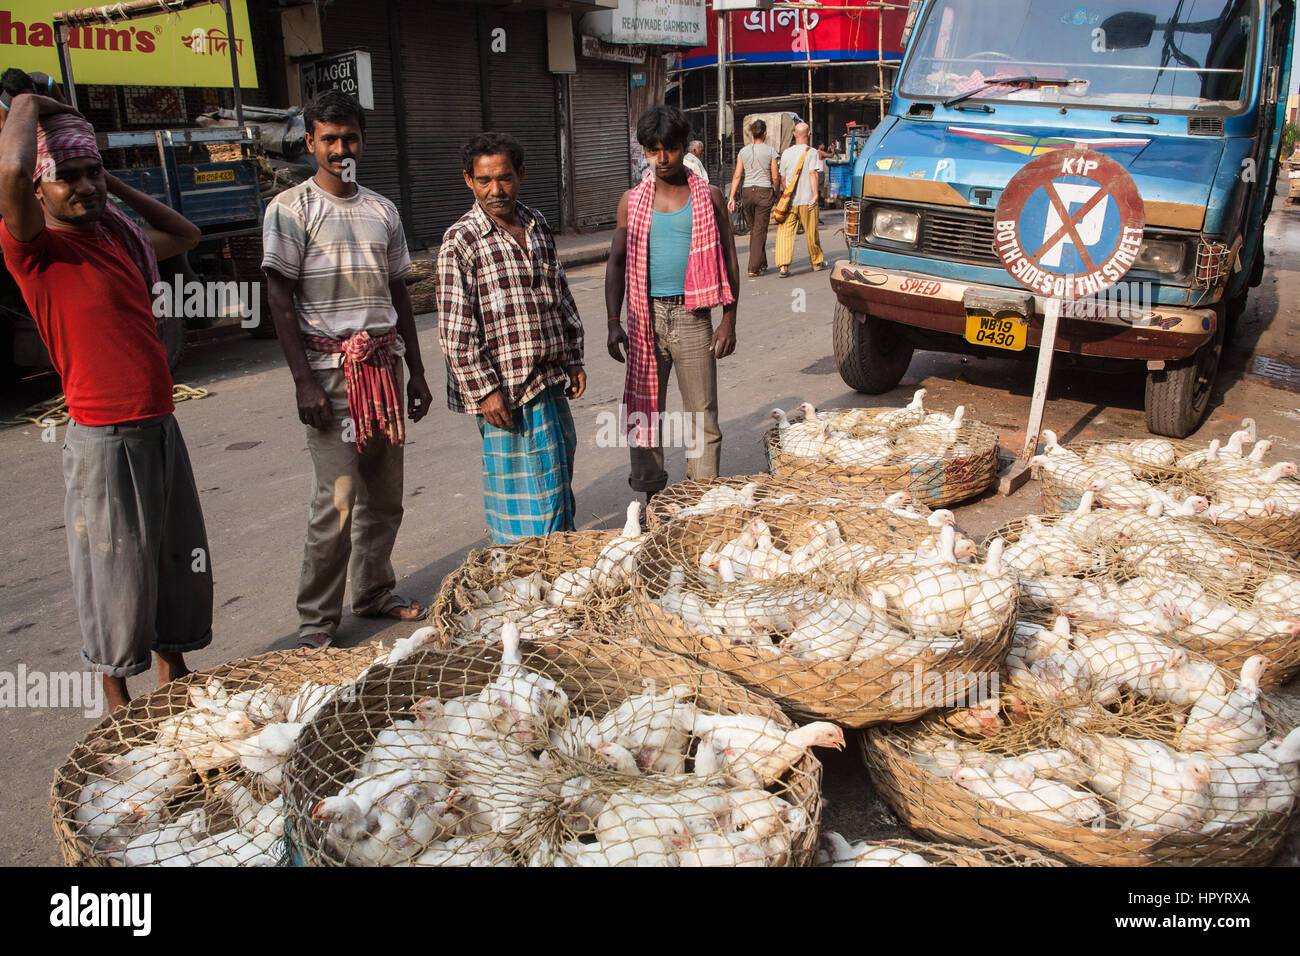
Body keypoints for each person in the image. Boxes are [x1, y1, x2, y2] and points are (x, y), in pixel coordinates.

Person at [0, 95, 209, 711]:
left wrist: (103, 176)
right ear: (39, 190)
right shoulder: (37, 251)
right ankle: (115, 695)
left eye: (92, 172)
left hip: (158, 422)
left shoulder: (117, 236)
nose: (84, 187)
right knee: (113, 568)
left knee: (174, 556)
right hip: (103, 433)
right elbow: (12, 171)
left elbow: (184, 233)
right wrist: (28, 103)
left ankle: (177, 669)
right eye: (67, 176)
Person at [262, 90, 431, 649]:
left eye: (349, 137)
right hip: (330, 375)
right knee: (335, 502)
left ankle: (375, 589)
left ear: (363, 139)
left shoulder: (383, 209)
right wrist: (304, 382)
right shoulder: (290, 210)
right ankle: (316, 623)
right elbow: (280, 299)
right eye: (328, 139)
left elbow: (399, 293)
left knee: (384, 496)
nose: (340, 148)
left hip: (384, 369)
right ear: (309, 142)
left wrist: (418, 371)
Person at [437, 131, 586, 542]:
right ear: (469, 180)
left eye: (503, 178)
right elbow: (456, 332)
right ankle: (528, 573)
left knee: (557, 477)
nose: (495, 190)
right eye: (484, 180)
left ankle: (559, 561)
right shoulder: (461, 241)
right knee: (525, 492)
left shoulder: (535, 224)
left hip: (549, 378)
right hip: (506, 388)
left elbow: (561, 294)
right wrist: (485, 391)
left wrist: (574, 356)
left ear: (519, 174)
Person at [606, 105, 738, 505]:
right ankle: (651, 502)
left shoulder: (709, 196)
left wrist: (729, 319)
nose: (662, 159)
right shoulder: (631, 201)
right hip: (645, 317)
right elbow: (615, 263)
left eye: (670, 149)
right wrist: (614, 322)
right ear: (644, 151)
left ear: (685, 148)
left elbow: (730, 258)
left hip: (694, 315)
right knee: (644, 414)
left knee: (702, 416)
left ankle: (701, 502)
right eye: (652, 150)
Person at [726, 118, 780, 277]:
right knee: (759, 230)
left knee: (756, 229)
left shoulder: (743, 151)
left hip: (747, 192)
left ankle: (762, 263)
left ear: (751, 133)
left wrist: (731, 197)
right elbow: (775, 176)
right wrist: (776, 192)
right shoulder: (770, 151)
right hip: (764, 192)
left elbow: (737, 175)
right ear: (765, 133)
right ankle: (753, 267)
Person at [775, 121, 825, 278]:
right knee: (811, 232)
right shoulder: (811, 152)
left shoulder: (786, 153)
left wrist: (788, 192)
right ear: (809, 134)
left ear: (794, 134)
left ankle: (783, 266)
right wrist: (815, 194)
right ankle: (816, 262)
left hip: (790, 201)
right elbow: (813, 173)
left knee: (785, 233)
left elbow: (783, 178)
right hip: (807, 200)